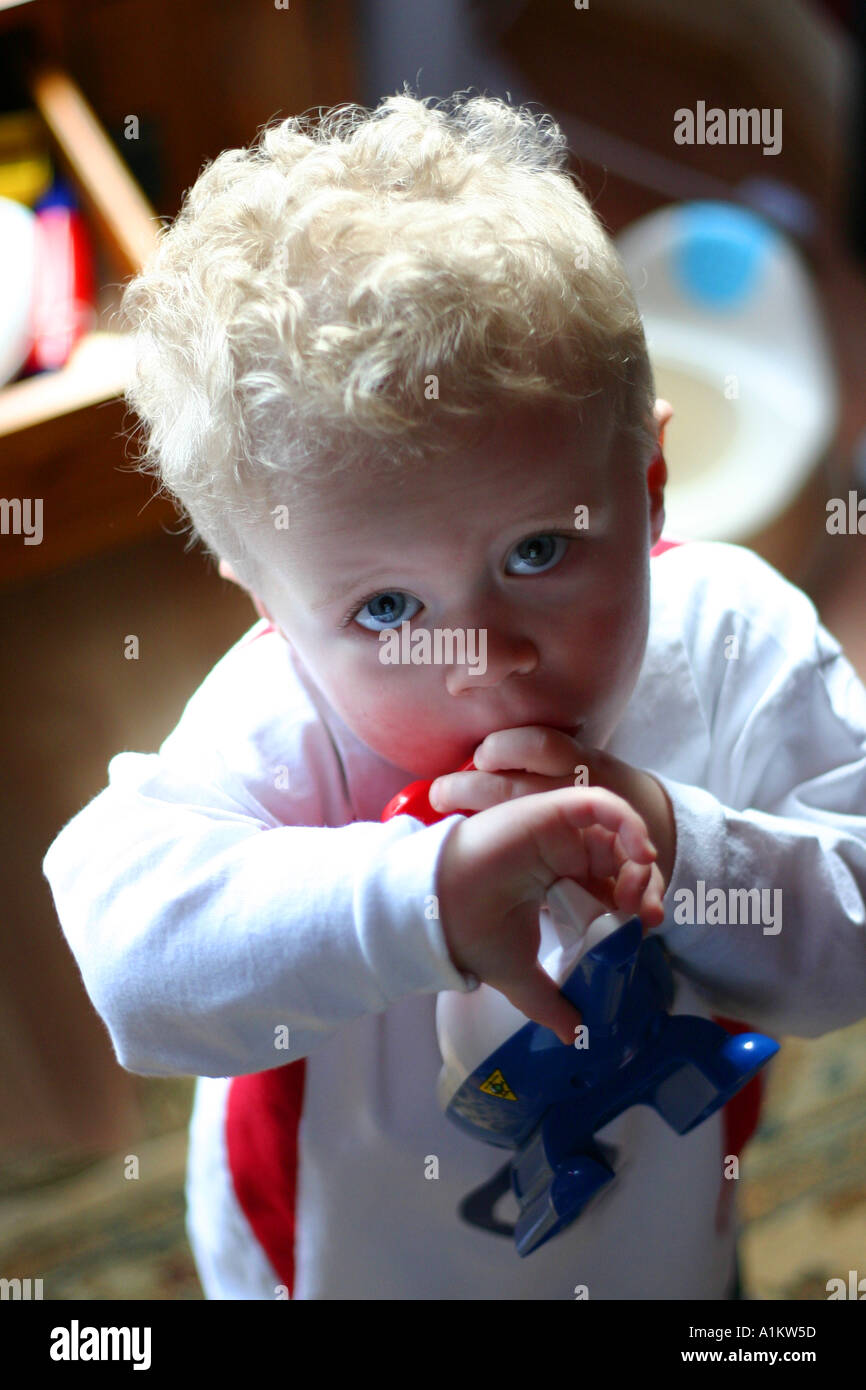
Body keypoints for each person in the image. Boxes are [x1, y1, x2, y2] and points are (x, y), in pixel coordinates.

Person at [43, 88, 866, 1300]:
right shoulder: (289, 723)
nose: (479, 661)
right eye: (385, 610)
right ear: (269, 604)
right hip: (334, 1262)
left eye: (537, 551)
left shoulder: (736, 644)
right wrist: (423, 900)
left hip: (659, 1226)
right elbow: (131, 961)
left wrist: (681, 843)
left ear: (645, 484)